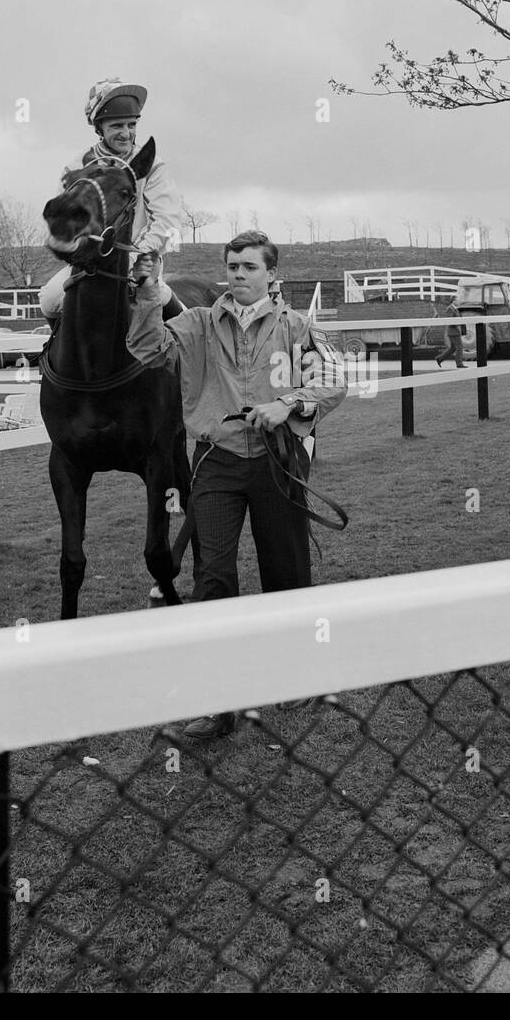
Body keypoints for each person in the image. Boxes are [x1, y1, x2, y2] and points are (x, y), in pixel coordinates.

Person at [126, 230, 348, 742]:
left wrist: (288, 404)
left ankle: (295, 674)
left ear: (273, 275)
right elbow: (143, 349)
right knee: (214, 577)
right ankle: (217, 705)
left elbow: (334, 379)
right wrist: (144, 293)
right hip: (216, 462)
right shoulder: (198, 323)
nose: (238, 274)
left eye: (249, 267)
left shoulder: (297, 326)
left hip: (278, 462)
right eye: (232, 266)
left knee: (285, 571)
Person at [40, 77, 186, 323]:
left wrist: (136, 256)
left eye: (132, 124)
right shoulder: (76, 166)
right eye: (117, 126)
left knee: (174, 308)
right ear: (99, 128)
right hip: (89, 262)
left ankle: (190, 353)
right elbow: (66, 220)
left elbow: (168, 220)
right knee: (50, 300)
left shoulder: (152, 165)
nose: (126, 133)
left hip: (139, 259)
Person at [435, 303, 467, 368]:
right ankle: (459, 363)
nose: (458, 300)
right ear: (453, 300)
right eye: (456, 299)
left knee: (453, 348)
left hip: (455, 331)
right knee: (459, 347)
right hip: (453, 332)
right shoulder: (450, 309)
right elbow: (450, 321)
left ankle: (440, 359)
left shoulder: (455, 308)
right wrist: (458, 323)